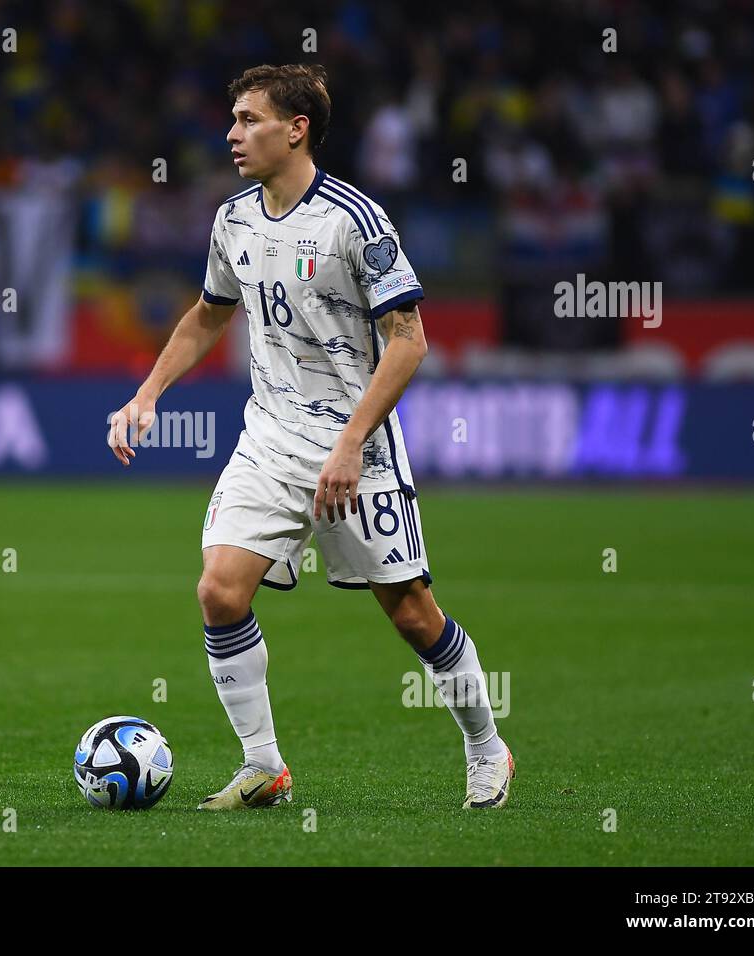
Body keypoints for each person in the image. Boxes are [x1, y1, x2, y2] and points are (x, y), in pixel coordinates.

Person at [108, 64, 514, 811]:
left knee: (412, 613)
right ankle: (263, 766)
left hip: (353, 448)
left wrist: (354, 442)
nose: (232, 134)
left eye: (249, 119)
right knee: (219, 591)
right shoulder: (232, 220)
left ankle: (487, 745)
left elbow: (409, 340)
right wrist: (147, 393)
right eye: (232, 118)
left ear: (296, 129)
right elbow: (208, 314)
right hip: (268, 438)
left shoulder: (354, 221)